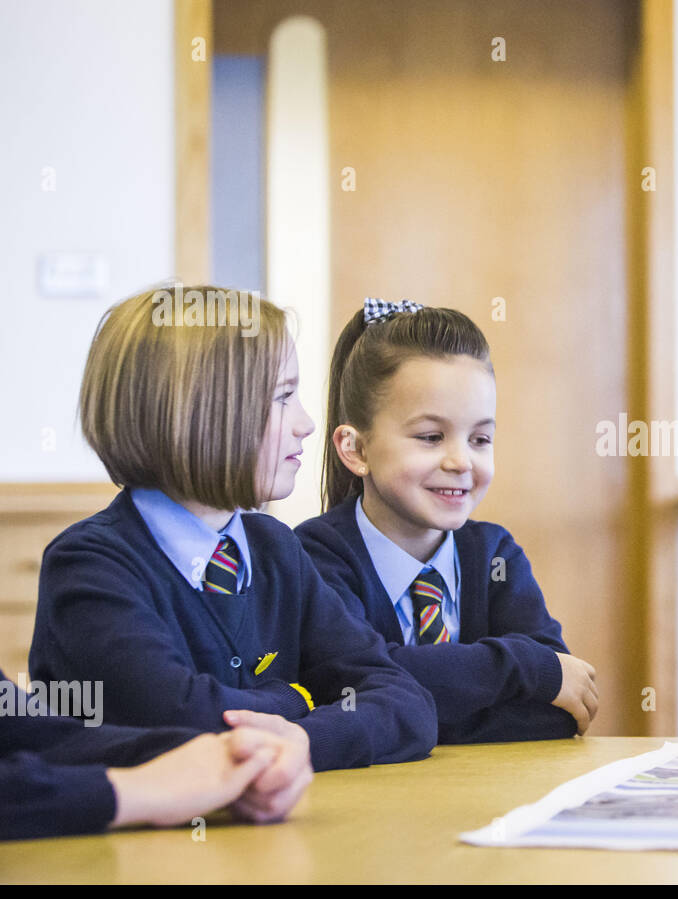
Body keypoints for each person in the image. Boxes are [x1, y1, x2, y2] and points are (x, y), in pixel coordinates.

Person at [27, 286, 438, 770]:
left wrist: (303, 742)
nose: (306, 423)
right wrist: (301, 697)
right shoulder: (89, 566)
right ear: (200, 411)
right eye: (284, 396)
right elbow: (183, 719)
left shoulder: (275, 549)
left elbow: (407, 703)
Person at [294, 299, 598, 741]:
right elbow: (351, 686)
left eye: (480, 439)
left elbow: (559, 711)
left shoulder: (496, 555)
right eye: (431, 437)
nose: (460, 461)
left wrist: (407, 705)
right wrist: (526, 668)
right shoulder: (314, 558)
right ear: (356, 450)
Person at [1, 667, 311, 841]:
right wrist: (135, 789)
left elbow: (38, 733)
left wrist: (228, 757)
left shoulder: (281, 556)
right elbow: (183, 705)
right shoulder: (90, 560)